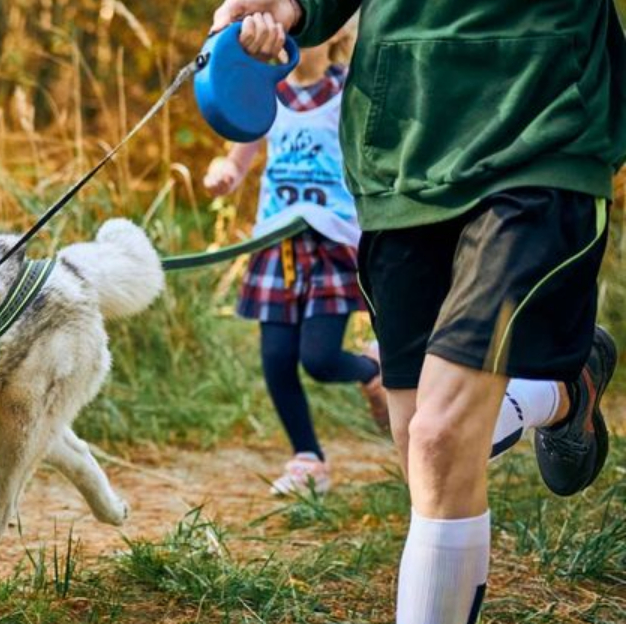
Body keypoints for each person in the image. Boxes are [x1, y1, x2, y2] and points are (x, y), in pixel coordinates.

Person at [209, 2, 625, 623]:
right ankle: (564, 391)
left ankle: (556, 387)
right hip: (399, 148)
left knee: (440, 438)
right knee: (421, 456)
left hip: (540, 122)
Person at [203, 27, 387, 497]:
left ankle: (372, 370)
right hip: (276, 244)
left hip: (331, 241)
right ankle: (308, 458)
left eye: (312, 30)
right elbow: (239, 158)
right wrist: (225, 172)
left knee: (320, 359)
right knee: (277, 360)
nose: (300, 39)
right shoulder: (266, 94)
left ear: (338, 31)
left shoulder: (350, 91)